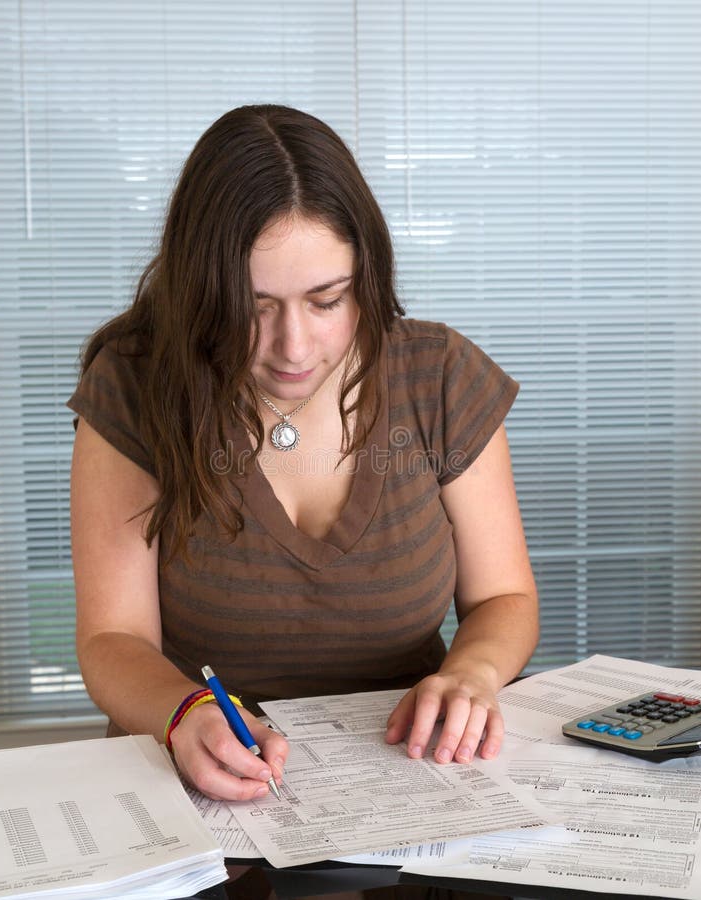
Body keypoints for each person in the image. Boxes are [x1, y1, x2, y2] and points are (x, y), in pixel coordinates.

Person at [68, 104, 538, 899]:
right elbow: (112, 638)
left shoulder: (437, 375)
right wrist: (185, 714)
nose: (293, 347)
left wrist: (473, 673)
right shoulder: (137, 385)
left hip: (408, 802)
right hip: (199, 814)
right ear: (200, 289)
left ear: (368, 276)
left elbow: (502, 595)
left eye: (327, 300)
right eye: (254, 307)